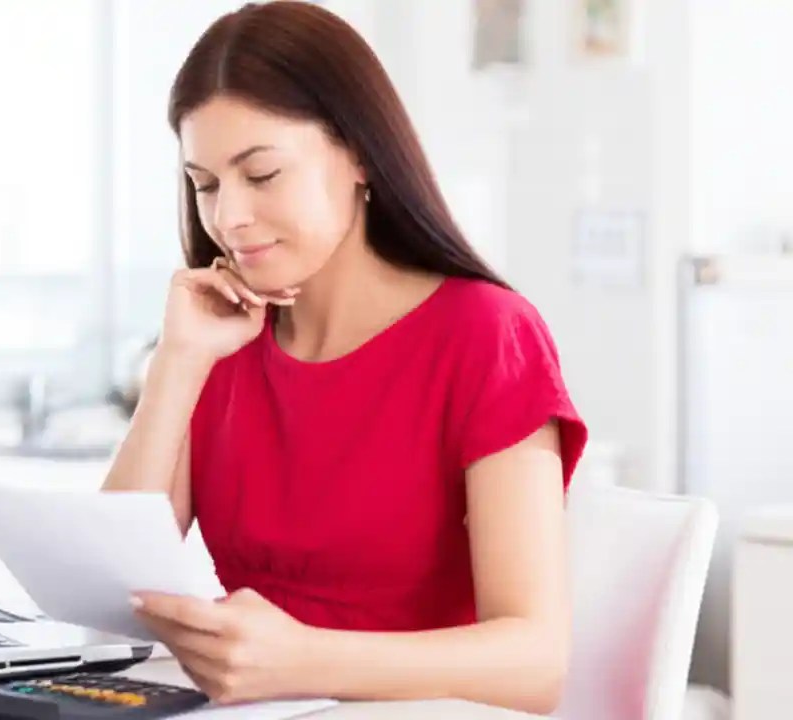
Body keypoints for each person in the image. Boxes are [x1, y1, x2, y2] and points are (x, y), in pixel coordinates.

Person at [100, 1, 587, 714]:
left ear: (359, 154)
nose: (228, 218)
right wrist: (177, 363)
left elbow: (536, 662)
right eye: (205, 185)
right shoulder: (222, 342)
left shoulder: (485, 334)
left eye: (261, 175)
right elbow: (115, 586)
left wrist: (302, 659)